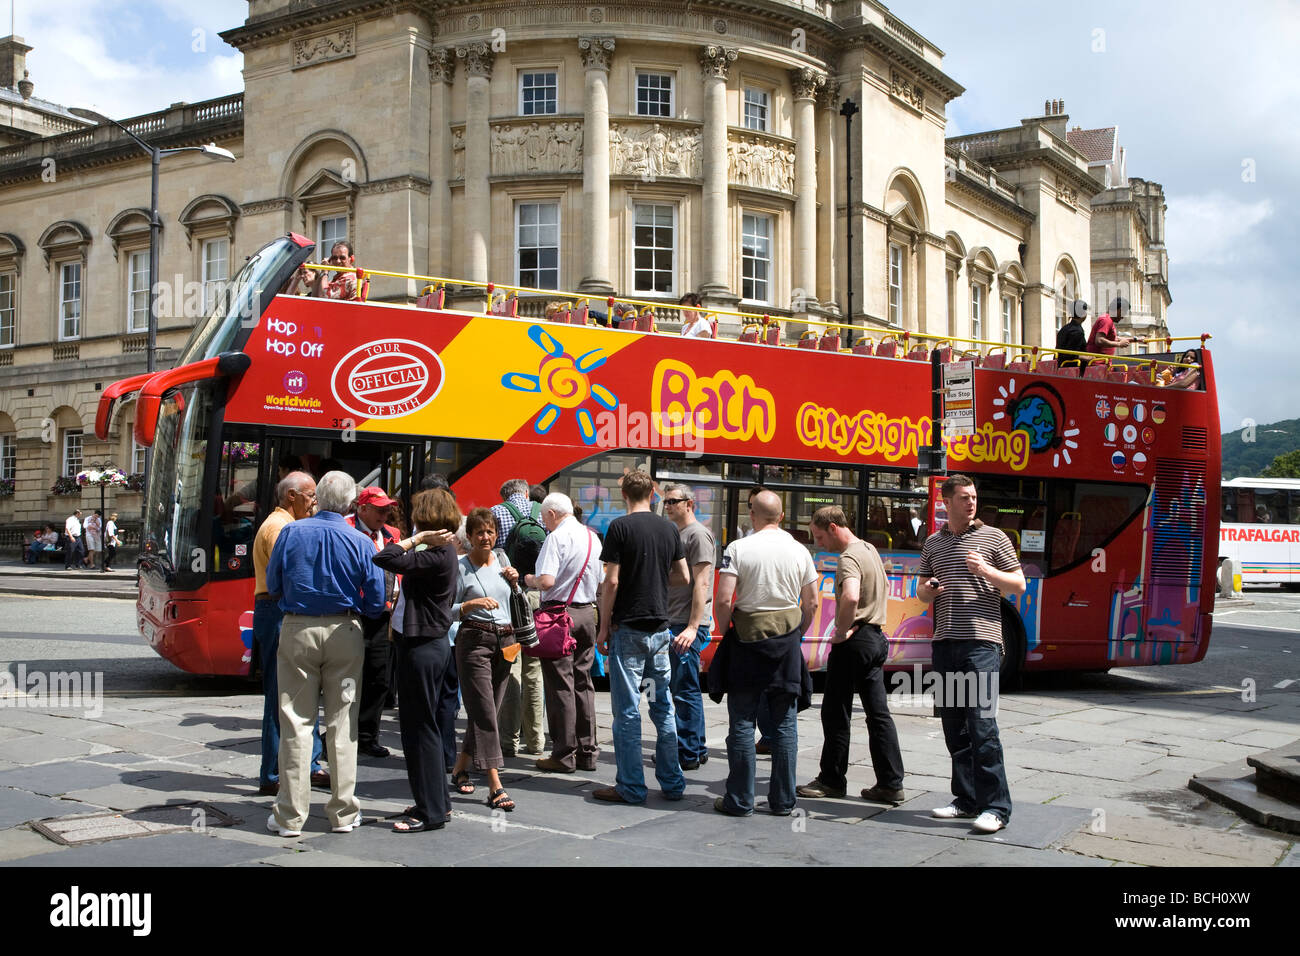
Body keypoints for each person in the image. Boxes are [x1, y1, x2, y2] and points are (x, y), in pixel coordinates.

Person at [266, 470, 386, 837]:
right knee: (343, 722)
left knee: (296, 721)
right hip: (345, 631)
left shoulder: (290, 533)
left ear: (317, 497)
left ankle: (289, 816)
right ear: (351, 504)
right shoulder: (361, 542)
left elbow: (273, 584)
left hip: (298, 627)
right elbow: (378, 600)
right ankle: (344, 813)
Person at [916, 474, 1026, 835]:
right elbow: (921, 592)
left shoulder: (995, 538)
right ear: (946, 501)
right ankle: (965, 800)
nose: (971, 502)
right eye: (963, 497)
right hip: (945, 642)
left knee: (982, 726)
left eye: (974, 496)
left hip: (982, 644)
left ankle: (996, 807)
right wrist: (930, 588)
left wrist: (986, 570)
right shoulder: (933, 542)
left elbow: (1019, 584)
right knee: (954, 728)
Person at [711, 490, 817, 817]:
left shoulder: (739, 548)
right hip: (786, 644)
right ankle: (784, 801)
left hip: (746, 641)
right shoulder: (799, 550)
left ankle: (740, 800)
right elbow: (811, 602)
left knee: (742, 722)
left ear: (752, 515)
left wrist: (727, 629)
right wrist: (796, 633)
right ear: (782, 516)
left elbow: (725, 600)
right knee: (784, 724)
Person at [593, 470, 690, 804]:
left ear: (624, 495)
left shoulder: (619, 527)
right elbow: (684, 576)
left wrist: (603, 627)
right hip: (661, 630)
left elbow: (612, 582)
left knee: (628, 711)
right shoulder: (668, 528)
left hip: (629, 629)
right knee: (662, 707)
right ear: (653, 492)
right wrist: (656, 584)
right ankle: (673, 783)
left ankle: (631, 786)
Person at [798, 506, 906, 804]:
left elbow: (851, 596)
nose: (819, 544)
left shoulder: (848, 557)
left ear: (833, 527)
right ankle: (890, 782)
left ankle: (831, 780)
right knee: (878, 714)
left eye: (819, 536)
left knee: (835, 712)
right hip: (875, 638)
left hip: (855, 640)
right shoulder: (869, 548)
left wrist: (842, 629)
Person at [373, 489, 460, 833]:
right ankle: (436, 802)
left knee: (419, 727)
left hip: (422, 647)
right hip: (428, 644)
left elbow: (385, 557)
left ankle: (430, 812)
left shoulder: (433, 553)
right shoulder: (441, 553)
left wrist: (416, 539)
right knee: (425, 726)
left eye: (417, 517)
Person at [253, 473, 327, 798]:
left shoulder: (280, 523)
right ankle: (272, 773)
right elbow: (291, 576)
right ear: (292, 496)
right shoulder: (281, 528)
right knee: (281, 693)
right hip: (279, 610)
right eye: (311, 495)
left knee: (292, 691)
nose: (315, 502)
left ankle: (302, 764)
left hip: (275, 609)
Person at [448, 507, 521, 812]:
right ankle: (495, 784)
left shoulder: (503, 561)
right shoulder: (460, 567)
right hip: (473, 641)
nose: (486, 537)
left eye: (490, 531)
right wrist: (469, 604)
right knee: (486, 712)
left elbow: (512, 601)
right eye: (480, 532)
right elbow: (445, 609)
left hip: (506, 642)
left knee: (485, 710)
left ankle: (460, 767)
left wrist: (516, 583)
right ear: (469, 536)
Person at [525, 492, 603, 774]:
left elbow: (546, 581)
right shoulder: (593, 538)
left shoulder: (556, 537)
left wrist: (529, 579)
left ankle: (563, 754)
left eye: (545, 518)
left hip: (560, 616)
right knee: (583, 683)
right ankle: (587, 751)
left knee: (560, 685)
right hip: (587, 613)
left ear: (552, 514)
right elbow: (601, 582)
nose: (545, 524)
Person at [661, 482, 715, 770]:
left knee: (684, 691)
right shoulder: (678, 532)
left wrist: (693, 627)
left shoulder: (697, 534)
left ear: (689, 504)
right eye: (666, 502)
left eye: (673, 501)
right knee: (682, 689)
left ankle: (688, 753)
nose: (668, 506)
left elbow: (702, 583)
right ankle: (696, 747)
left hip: (686, 624)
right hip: (677, 620)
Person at [346, 486, 402, 759]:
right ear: (362, 508)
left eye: (387, 508)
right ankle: (341, 733)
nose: (384, 513)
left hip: (383, 615)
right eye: (379, 508)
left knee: (379, 679)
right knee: (347, 678)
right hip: (353, 613)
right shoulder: (346, 529)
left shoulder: (393, 535)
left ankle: (368, 736)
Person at [491, 478, 546, 757]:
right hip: (536, 595)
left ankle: (508, 742)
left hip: (508, 598)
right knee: (534, 670)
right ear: (526, 492)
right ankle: (536, 741)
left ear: (505, 495)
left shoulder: (495, 512)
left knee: (511, 665)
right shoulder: (543, 512)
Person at [291, 241, 360, 300]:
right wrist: (323, 272)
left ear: (351, 258)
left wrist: (325, 272)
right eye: (334, 258)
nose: (338, 261)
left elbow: (324, 298)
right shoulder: (339, 277)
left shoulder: (350, 278)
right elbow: (314, 296)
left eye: (342, 258)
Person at [1055, 299, 1088, 369]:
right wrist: (1087, 357)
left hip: (1059, 367)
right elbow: (1069, 354)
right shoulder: (1077, 332)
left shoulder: (1064, 328)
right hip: (1072, 370)